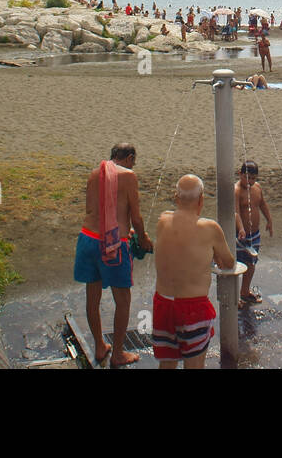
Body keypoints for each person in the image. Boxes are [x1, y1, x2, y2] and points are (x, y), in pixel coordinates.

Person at [74, 143, 151, 367]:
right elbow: (135, 216)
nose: (133, 165)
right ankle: (118, 353)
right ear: (129, 158)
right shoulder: (128, 175)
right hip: (113, 243)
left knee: (93, 296)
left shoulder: (94, 173)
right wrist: (144, 238)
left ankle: (99, 345)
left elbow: (92, 209)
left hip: (87, 237)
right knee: (123, 300)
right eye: (133, 161)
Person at [152, 175, 235, 369]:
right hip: (193, 307)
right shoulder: (210, 228)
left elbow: (180, 250)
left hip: (164, 302)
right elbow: (229, 261)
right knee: (195, 363)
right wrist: (213, 256)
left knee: (167, 362)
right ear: (201, 199)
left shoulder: (163, 220)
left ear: (176, 197)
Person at [235, 161, 273, 304]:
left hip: (254, 234)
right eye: (246, 177)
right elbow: (236, 212)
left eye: (253, 178)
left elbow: (262, 204)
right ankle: (234, 297)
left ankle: (245, 291)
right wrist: (241, 228)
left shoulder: (257, 188)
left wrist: (269, 220)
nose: (250, 181)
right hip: (240, 235)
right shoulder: (237, 191)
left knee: (251, 263)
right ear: (240, 174)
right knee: (235, 263)